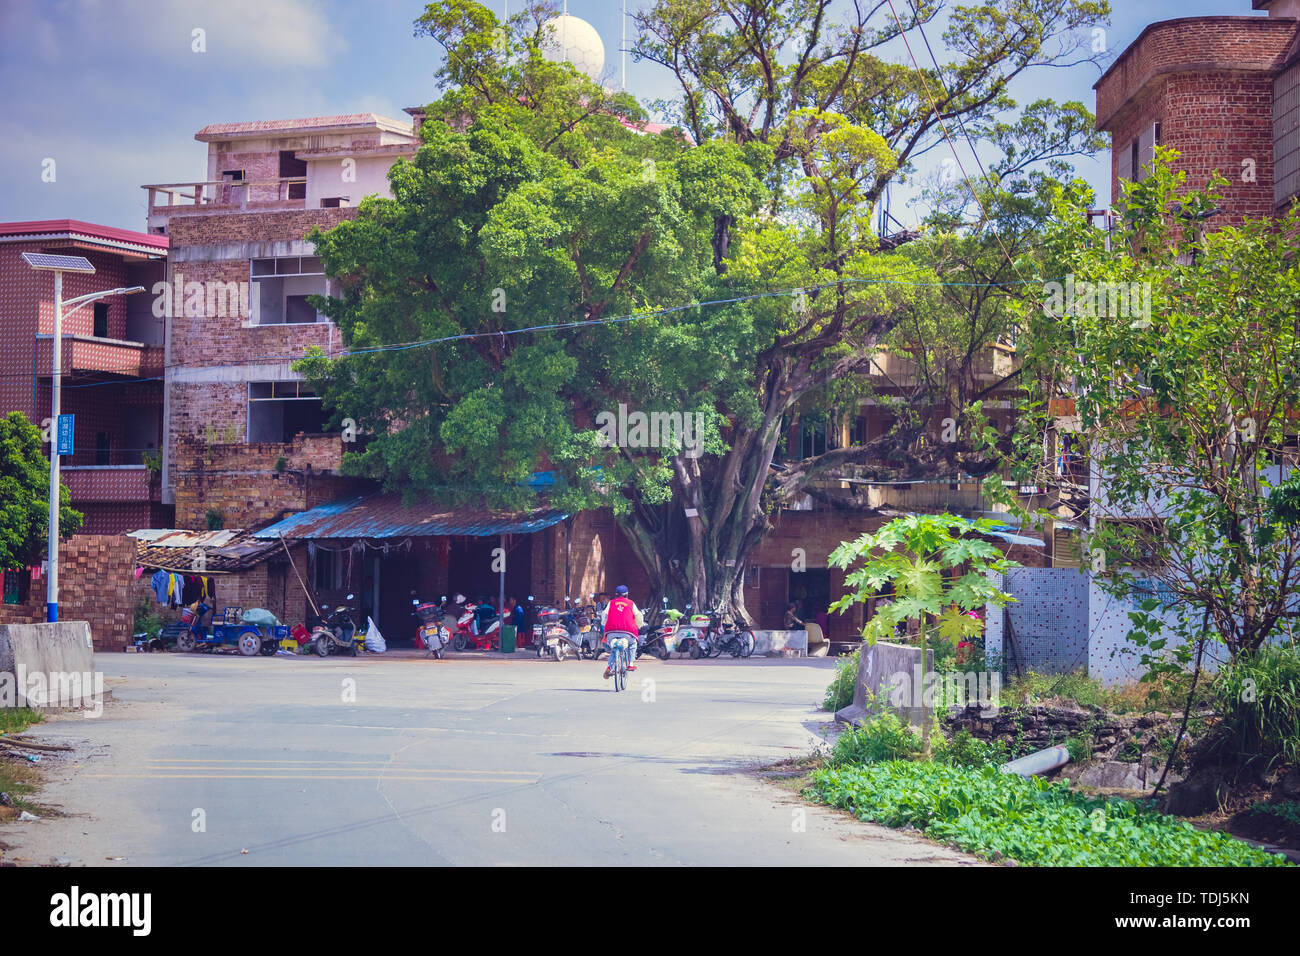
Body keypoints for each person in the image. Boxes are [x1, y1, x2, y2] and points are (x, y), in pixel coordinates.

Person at [601, 584, 643, 677]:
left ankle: (609, 667)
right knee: (633, 644)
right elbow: (638, 615)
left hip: (611, 631)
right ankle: (630, 664)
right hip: (628, 632)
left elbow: (604, 614)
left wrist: (604, 624)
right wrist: (638, 625)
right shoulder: (631, 603)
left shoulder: (611, 603)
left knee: (614, 648)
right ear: (627, 595)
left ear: (616, 594)